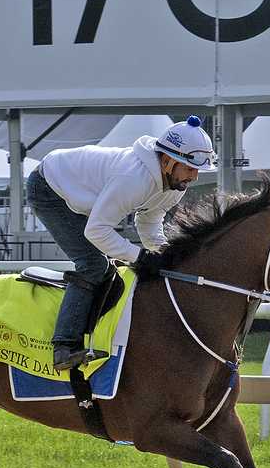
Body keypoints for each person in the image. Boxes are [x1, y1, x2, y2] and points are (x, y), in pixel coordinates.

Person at [26, 116, 215, 371]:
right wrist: (140, 257)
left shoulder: (174, 184)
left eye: (197, 170)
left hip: (76, 189)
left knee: (108, 264)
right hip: (48, 187)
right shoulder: (134, 179)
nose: (193, 177)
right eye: (190, 168)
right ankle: (64, 347)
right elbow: (97, 230)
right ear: (168, 160)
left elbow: (149, 221)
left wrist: (163, 254)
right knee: (93, 265)